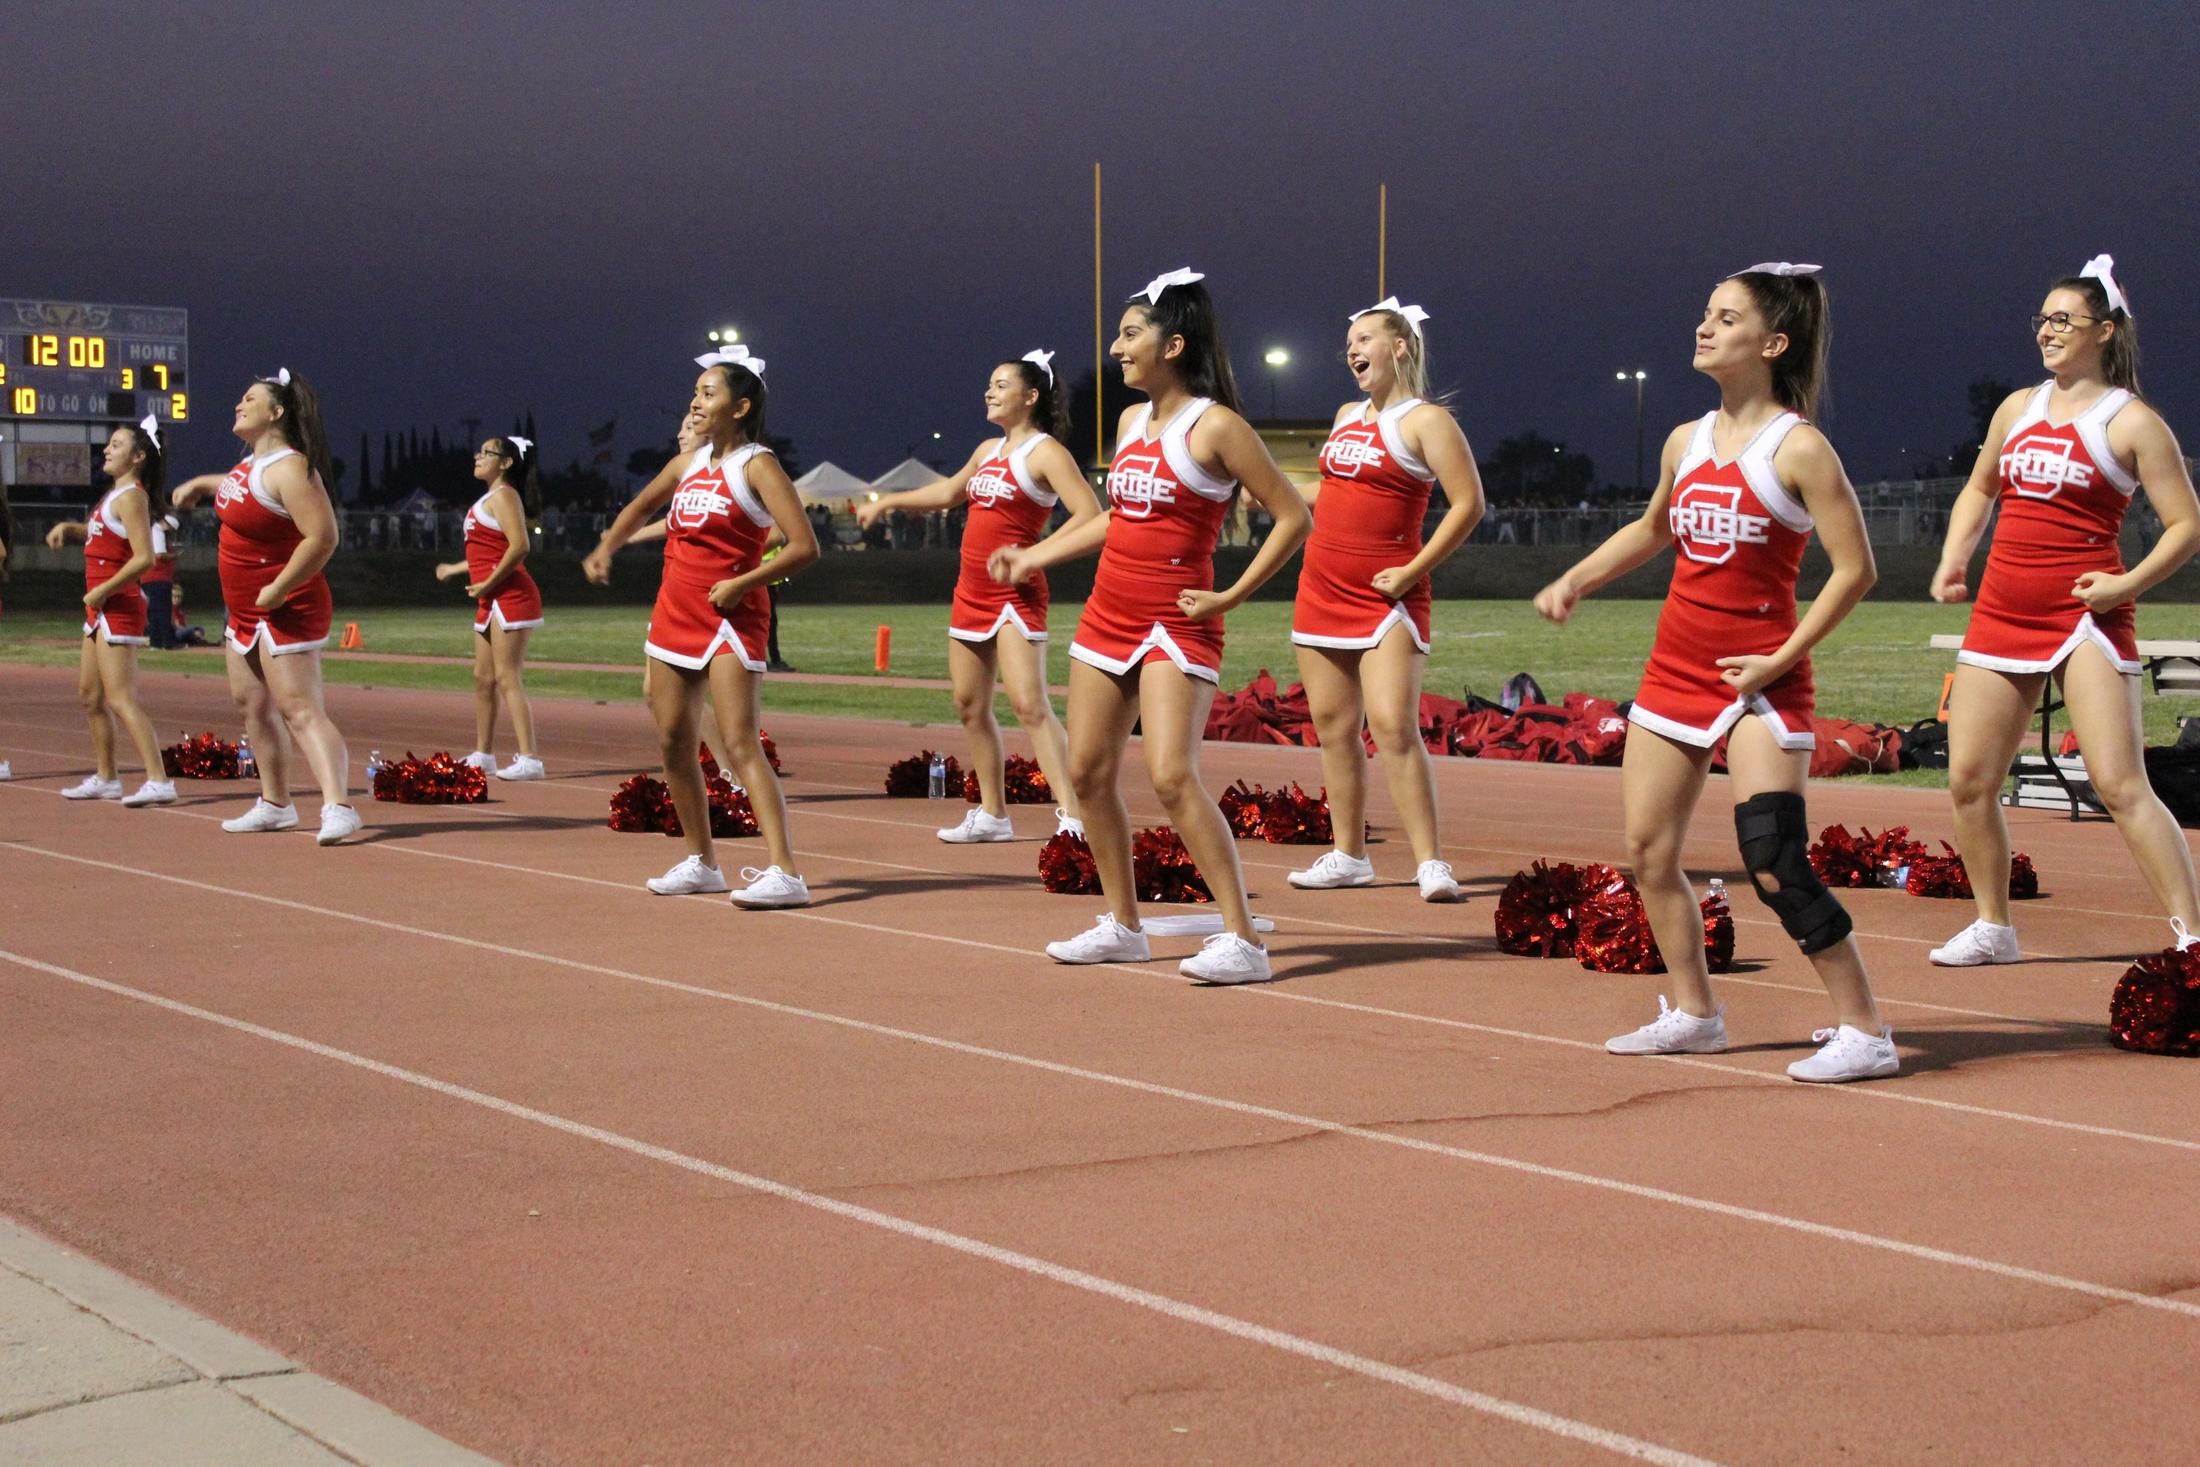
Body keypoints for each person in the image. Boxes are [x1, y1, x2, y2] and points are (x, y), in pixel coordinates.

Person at [1534, 263, 1895, 1083]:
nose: (1704, 327)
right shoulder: (1684, 439)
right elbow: (1655, 528)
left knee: (1773, 858)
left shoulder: (1798, 446)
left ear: (1772, 342)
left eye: (1725, 318)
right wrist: (1577, 579)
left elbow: (1855, 569)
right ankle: (1696, 1014)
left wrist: (1781, 655)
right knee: (1649, 853)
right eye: (1705, 313)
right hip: (1675, 672)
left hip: (1760, 680)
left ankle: (1866, 1028)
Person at [991, 269, 1311, 982]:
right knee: (1087, 771)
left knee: (1170, 774)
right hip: (1110, 613)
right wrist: (1033, 553)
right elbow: (1115, 518)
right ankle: (1124, 925)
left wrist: (1230, 595)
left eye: (1130, 334)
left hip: (1177, 620)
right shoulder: (1133, 423)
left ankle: (1245, 942)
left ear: (1173, 343)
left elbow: (1294, 515)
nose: (1116, 347)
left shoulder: (1218, 425)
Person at [1930, 255, 2200, 965]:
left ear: (2104, 331)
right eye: (2041, 319)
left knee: (2118, 781)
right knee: (1969, 780)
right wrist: (1956, 556)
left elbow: (2185, 526)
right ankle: (1994, 925)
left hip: (2087, 616)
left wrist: (2124, 587)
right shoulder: (2017, 407)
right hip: (2000, 613)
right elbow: (1981, 487)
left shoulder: (2133, 421)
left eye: (2063, 320)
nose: (2047, 331)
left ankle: (2194, 935)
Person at [584, 346, 819, 907]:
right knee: (672, 743)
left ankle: (786, 872)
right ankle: (702, 861)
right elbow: (640, 506)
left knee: (739, 743)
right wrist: (606, 547)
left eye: (707, 393)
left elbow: (805, 546)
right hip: (674, 613)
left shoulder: (757, 465)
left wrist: (743, 583)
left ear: (740, 407)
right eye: (695, 392)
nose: (695, 401)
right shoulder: (688, 463)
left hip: (731, 617)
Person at [1287, 297, 1486, 902]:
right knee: (1332, 727)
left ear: (1399, 347)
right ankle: (1349, 853)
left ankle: (1430, 861)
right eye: (1348, 340)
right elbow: (1331, 488)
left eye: (1364, 337)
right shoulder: (1348, 413)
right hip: (1320, 587)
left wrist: (1411, 571)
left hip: (1387, 597)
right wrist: (1269, 488)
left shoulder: (1427, 421)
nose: (1351, 349)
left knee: (1394, 724)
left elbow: (1469, 505)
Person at [857, 352, 1101, 843]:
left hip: (1015, 593)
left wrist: (1035, 555)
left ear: (1031, 397)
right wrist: (888, 501)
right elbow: (949, 492)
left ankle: (1076, 815)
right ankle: (993, 814)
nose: (989, 392)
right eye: (989, 384)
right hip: (970, 591)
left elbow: (1090, 516)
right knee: (969, 704)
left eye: (1001, 385)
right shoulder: (989, 449)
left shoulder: (1046, 452)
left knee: (1030, 705)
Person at [171, 370, 358, 844]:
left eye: (249, 398)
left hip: (285, 605)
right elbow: (243, 485)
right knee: (252, 706)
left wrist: (278, 588)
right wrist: (199, 483)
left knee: (300, 709)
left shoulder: (292, 468)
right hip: (244, 612)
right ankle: (276, 804)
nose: (239, 404)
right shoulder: (251, 465)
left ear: (276, 413)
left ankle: (339, 805)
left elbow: (324, 537)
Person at [45, 416, 175, 806]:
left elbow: (144, 559)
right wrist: (71, 526)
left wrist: (101, 590)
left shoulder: (133, 496)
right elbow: (104, 536)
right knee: (90, 695)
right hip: (100, 609)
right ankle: (107, 777)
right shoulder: (114, 496)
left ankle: (159, 780)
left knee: (120, 698)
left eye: (116, 445)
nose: (106, 450)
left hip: (117, 606)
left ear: (137, 457)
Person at [436, 434, 545, 780]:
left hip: (510, 595)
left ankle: (530, 759)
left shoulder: (505, 496)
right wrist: (455, 569)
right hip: (491, 596)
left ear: (506, 463)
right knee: (482, 678)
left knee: (506, 676)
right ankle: (483, 754)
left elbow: (520, 547)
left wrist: (488, 583)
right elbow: (486, 552)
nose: (477, 457)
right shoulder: (490, 498)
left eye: (487, 453)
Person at [142, 509, 179, 649]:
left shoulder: (151, 532)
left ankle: (155, 643)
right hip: (159, 578)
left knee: (153, 612)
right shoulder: (158, 531)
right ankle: (167, 643)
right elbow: (160, 555)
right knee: (163, 610)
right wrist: (175, 556)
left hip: (148, 578)